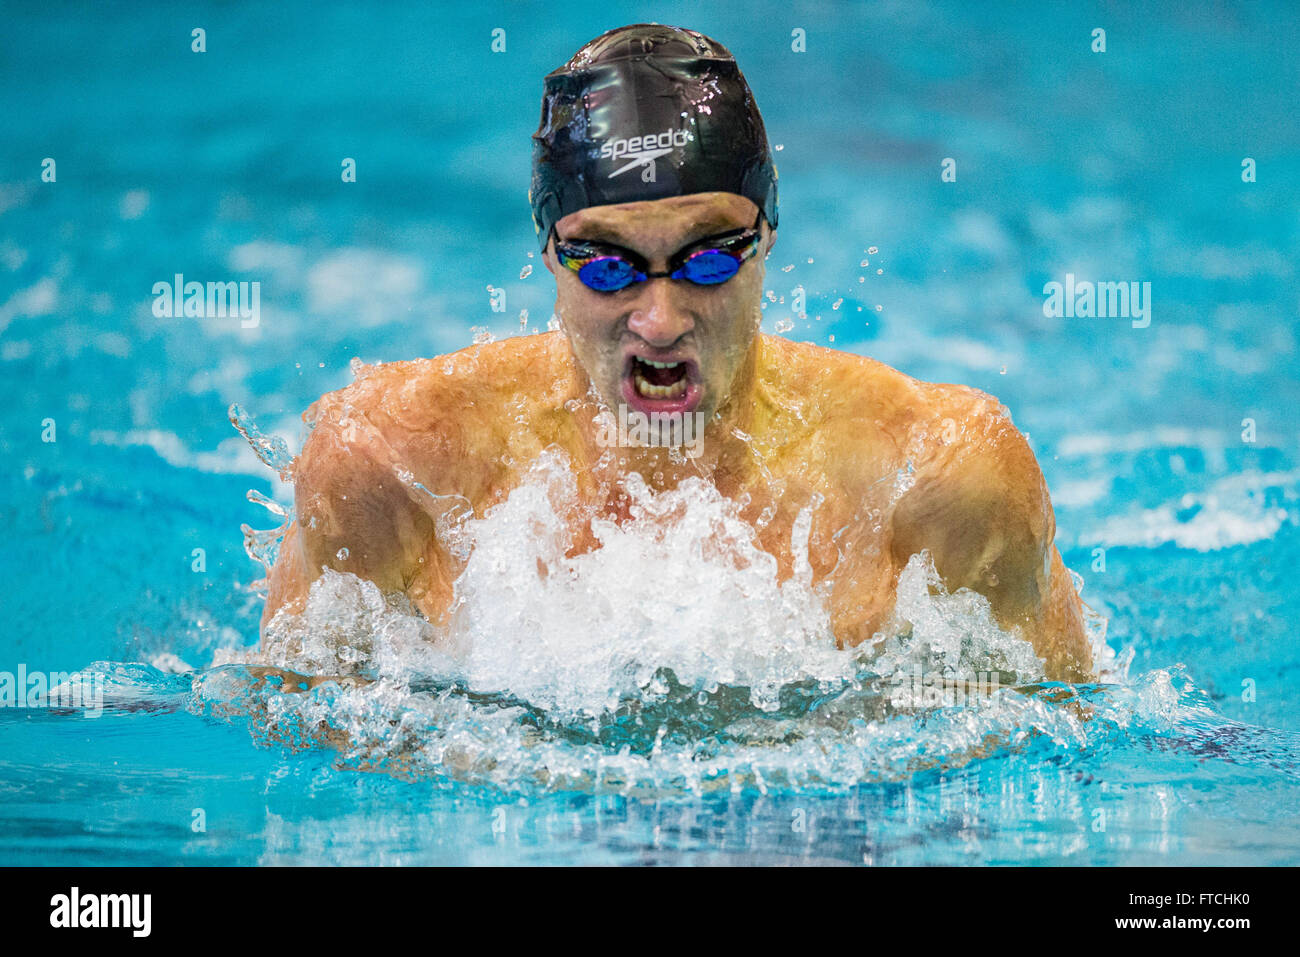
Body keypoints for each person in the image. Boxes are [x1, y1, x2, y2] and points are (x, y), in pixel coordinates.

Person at [261, 23, 1093, 683]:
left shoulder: (941, 484)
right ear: (549, 252)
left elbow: (1048, 770)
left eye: (706, 256)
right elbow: (308, 752)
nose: (658, 320)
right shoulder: (391, 468)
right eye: (608, 262)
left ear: (765, 239)